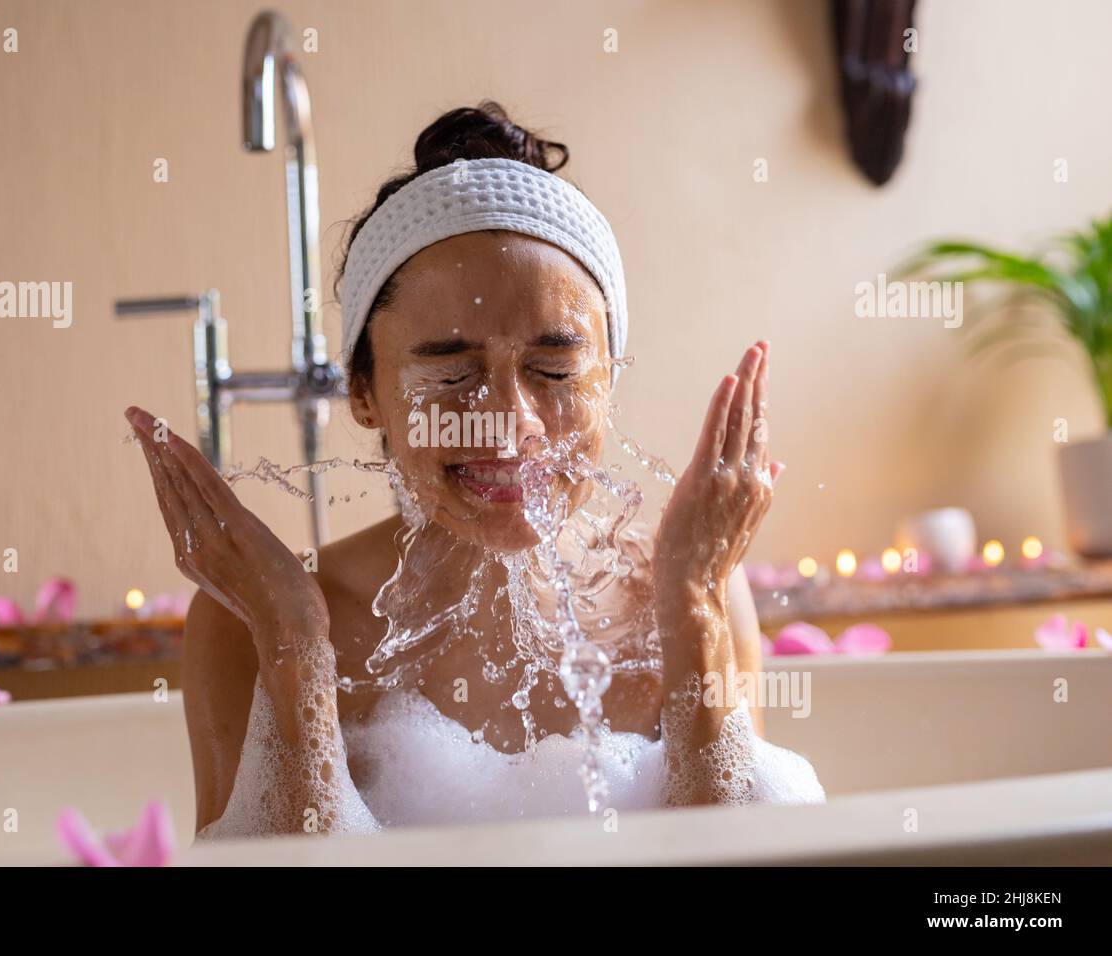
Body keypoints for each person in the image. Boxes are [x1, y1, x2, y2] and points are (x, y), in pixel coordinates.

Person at [125, 101, 823, 838]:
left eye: (554, 369)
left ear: (609, 379)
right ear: (364, 392)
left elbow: (746, 861)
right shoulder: (248, 620)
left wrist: (693, 604)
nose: (511, 420)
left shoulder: (689, 588)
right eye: (452, 373)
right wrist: (294, 645)